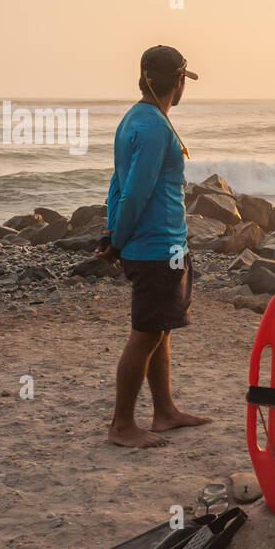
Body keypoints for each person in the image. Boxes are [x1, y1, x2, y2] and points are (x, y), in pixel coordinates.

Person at [96, 45, 211, 447]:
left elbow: (117, 184)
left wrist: (113, 235)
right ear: (178, 82)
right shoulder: (155, 127)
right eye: (183, 80)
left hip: (160, 246)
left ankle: (164, 412)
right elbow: (135, 194)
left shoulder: (134, 119)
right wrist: (119, 239)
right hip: (156, 248)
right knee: (145, 334)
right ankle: (122, 425)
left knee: (159, 329)